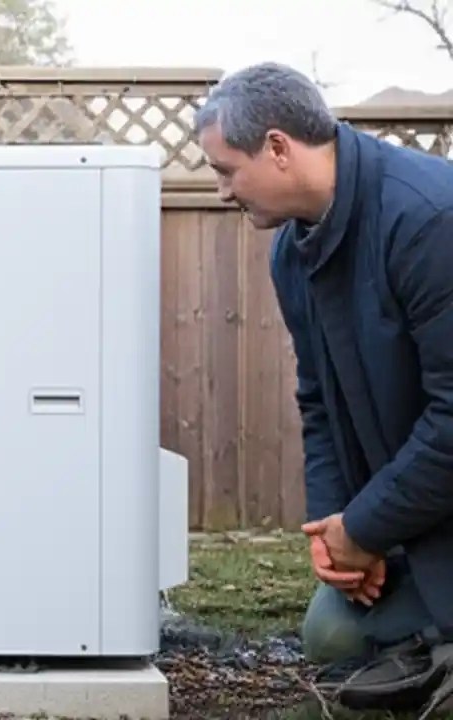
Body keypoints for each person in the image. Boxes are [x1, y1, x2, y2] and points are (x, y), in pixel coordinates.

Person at [192, 62, 453, 716]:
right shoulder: (293, 252)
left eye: (226, 171)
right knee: (331, 633)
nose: (223, 192)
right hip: (419, 508)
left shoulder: (427, 221)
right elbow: (319, 403)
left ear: (278, 147)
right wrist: (335, 534)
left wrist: (367, 526)